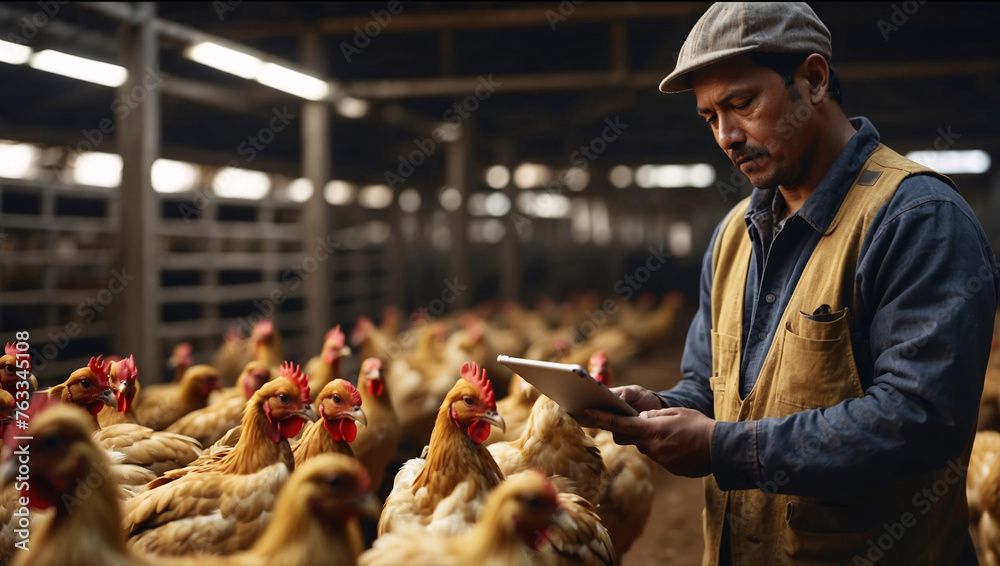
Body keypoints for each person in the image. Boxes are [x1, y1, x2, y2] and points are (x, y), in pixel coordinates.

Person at [579, 3, 999, 564]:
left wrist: (720, 447)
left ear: (814, 80)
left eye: (742, 103)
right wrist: (657, 406)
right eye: (709, 117)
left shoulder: (915, 219)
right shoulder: (734, 235)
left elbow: (918, 420)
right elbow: (711, 386)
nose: (727, 136)